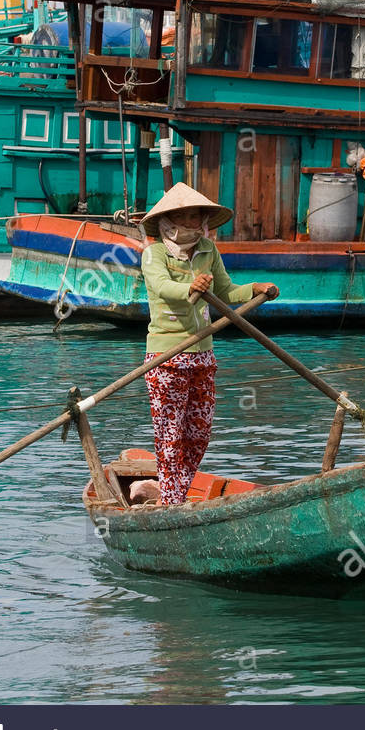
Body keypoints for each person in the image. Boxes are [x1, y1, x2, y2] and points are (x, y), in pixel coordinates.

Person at [130, 183, 279, 505]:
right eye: (185, 217)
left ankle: (175, 495)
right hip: (166, 356)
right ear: (170, 221)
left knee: (198, 435)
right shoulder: (154, 253)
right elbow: (161, 287)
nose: (192, 223)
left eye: (197, 216)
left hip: (202, 354)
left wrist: (255, 288)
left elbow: (225, 291)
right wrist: (191, 288)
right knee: (170, 438)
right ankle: (172, 504)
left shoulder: (208, 250)